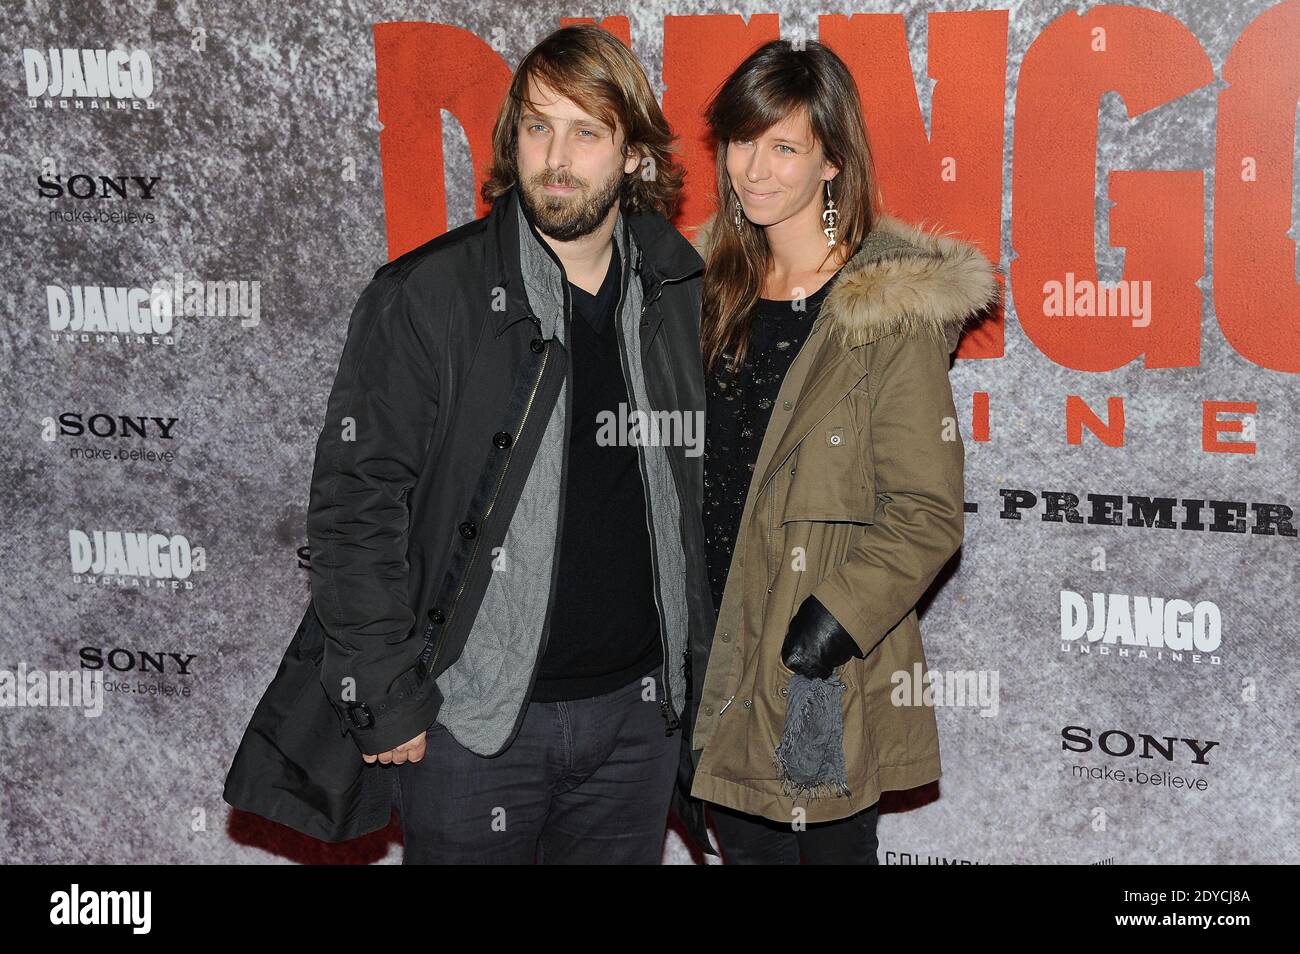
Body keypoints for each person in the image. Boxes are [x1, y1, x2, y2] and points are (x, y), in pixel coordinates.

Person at [223, 25, 718, 863]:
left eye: (586, 131)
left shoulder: (677, 292)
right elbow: (355, 504)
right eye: (536, 126)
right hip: (471, 725)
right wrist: (386, 695)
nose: (555, 157)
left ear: (635, 156)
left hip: (638, 724)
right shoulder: (429, 297)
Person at [682, 39, 1001, 864]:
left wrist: (829, 624)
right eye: (742, 142)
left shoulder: (884, 308)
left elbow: (928, 512)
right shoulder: (700, 291)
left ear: (832, 161)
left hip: (818, 671)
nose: (754, 170)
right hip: (712, 653)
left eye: (784, 147)